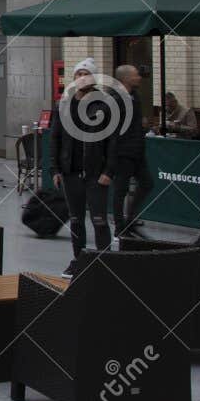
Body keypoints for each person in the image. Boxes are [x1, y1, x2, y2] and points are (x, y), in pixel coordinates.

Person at [48, 58, 112, 274]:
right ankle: (79, 261)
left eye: (86, 74)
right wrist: (55, 169)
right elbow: (55, 138)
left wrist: (108, 171)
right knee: (76, 220)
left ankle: (105, 264)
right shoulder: (63, 104)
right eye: (78, 74)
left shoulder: (104, 105)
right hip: (70, 172)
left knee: (99, 220)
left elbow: (113, 142)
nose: (82, 78)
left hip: (95, 173)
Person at [107, 64, 152, 237]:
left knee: (147, 183)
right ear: (125, 79)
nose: (139, 77)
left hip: (137, 150)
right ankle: (120, 227)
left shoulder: (135, 96)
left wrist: (141, 126)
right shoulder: (116, 99)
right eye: (135, 75)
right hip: (123, 152)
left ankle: (130, 218)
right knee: (121, 189)